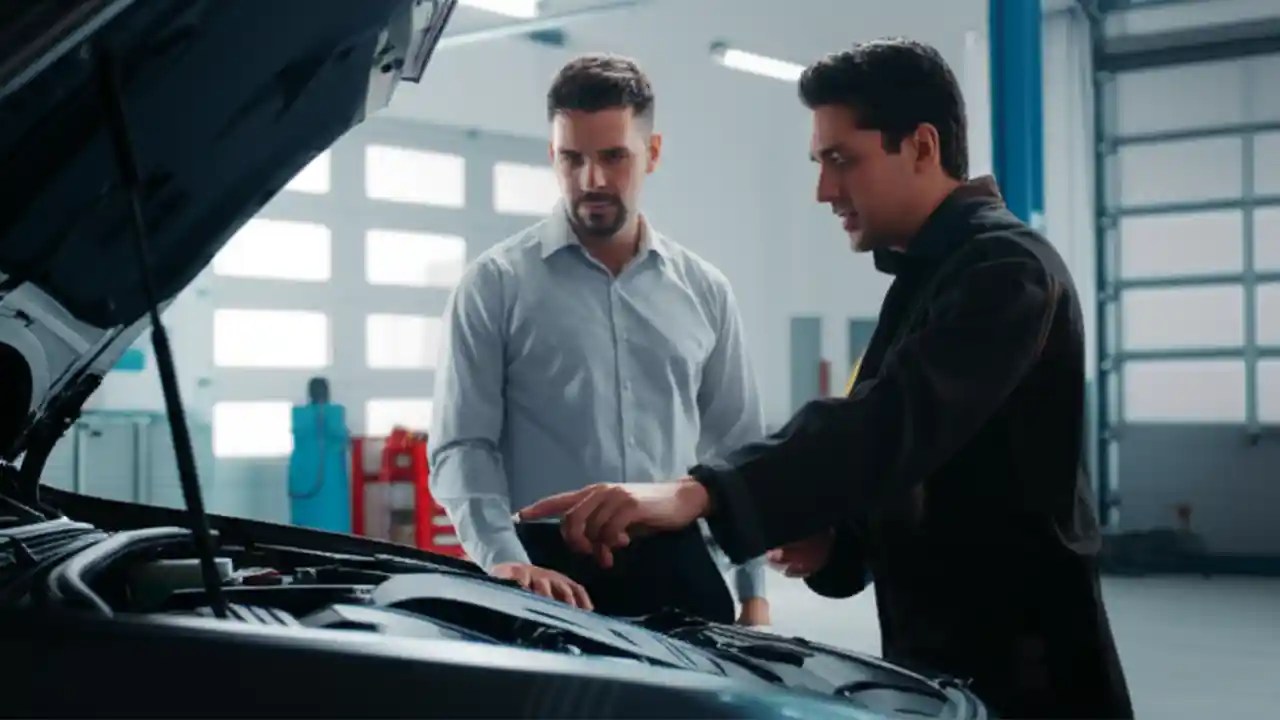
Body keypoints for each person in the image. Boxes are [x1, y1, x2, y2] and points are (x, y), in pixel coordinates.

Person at [517, 39, 1134, 719]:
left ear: (922, 147)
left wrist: (703, 493)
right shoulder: (936, 275)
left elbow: (889, 424)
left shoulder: (1007, 271)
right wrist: (840, 543)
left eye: (842, 160)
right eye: (820, 163)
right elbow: (933, 463)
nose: (824, 190)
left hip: (1032, 675)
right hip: (952, 658)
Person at [429, 53, 771, 626]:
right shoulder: (494, 286)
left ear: (652, 154)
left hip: (679, 564)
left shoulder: (705, 291)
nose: (593, 180)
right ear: (553, 157)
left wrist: (753, 590)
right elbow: (462, 446)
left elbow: (738, 448)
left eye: (614, 157)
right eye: (573, 158)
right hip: (545, 573)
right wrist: (505, 561)